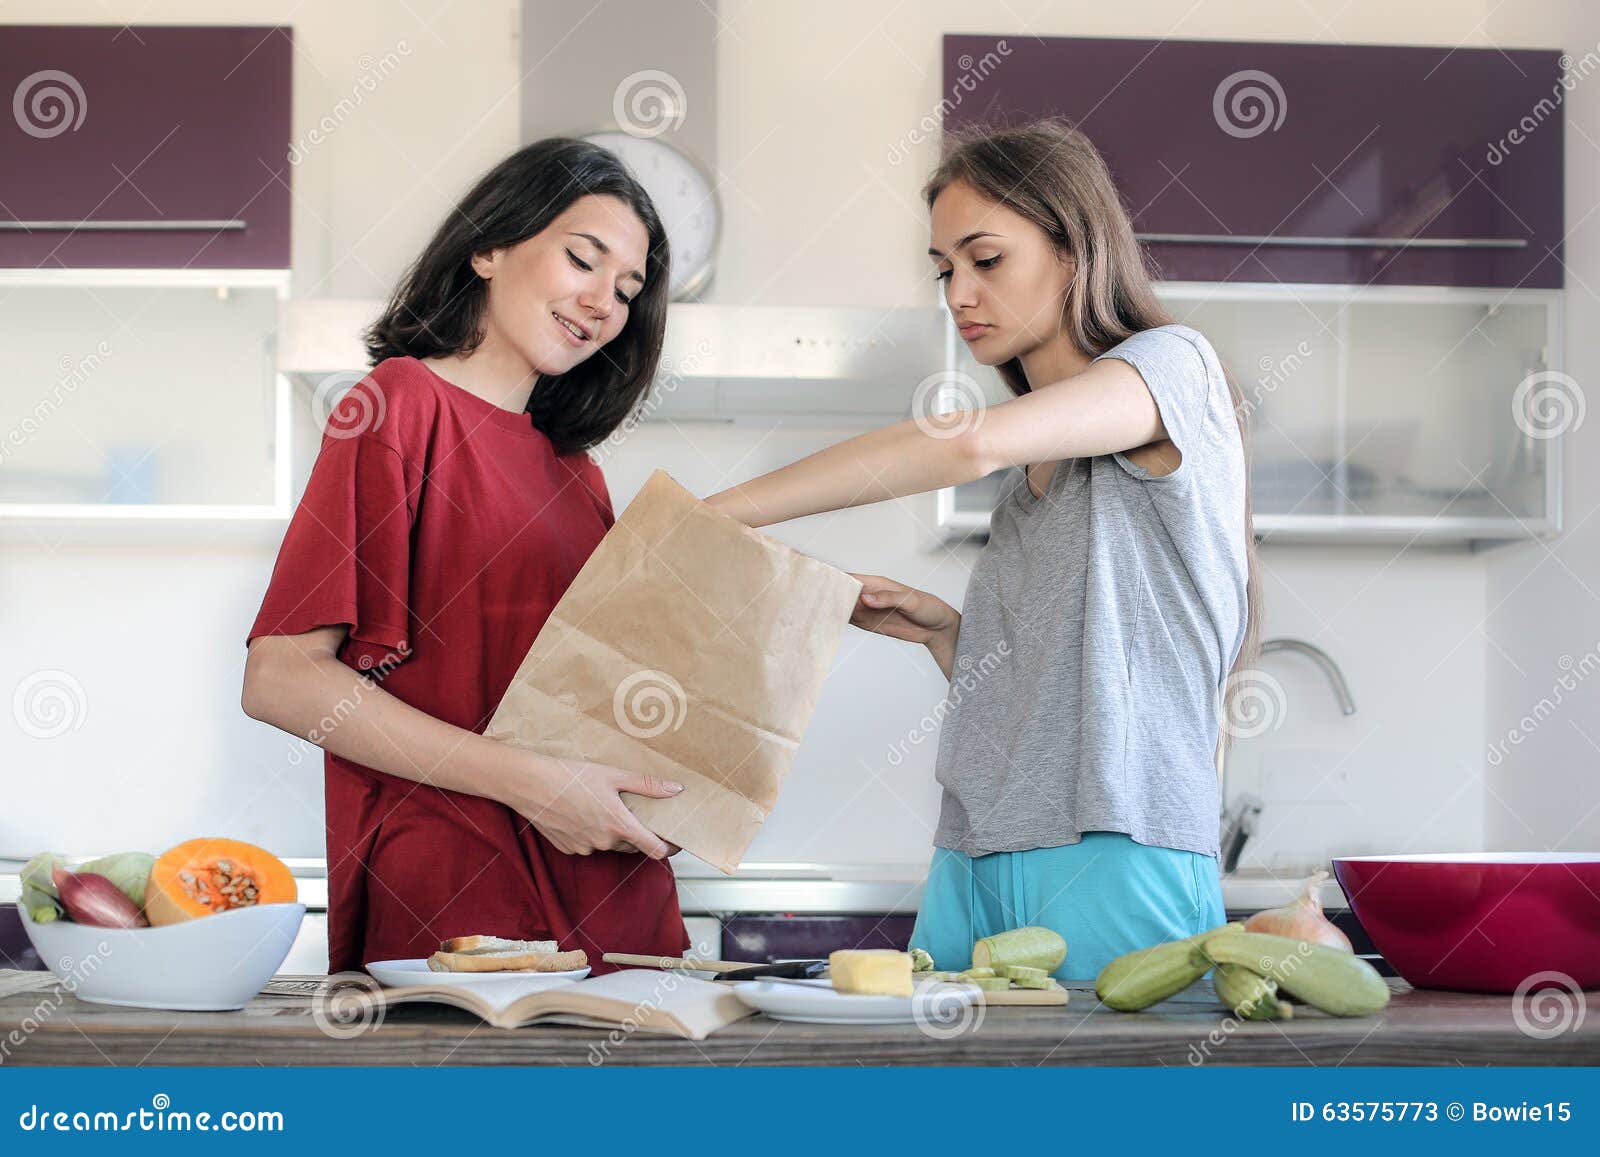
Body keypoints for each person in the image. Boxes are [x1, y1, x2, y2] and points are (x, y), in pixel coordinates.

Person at [704, 121, 1260, 981]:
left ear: (1074, 249)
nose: (959, 292)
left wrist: (711, 517)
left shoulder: (1172, 369)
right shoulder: (1026, 483)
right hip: (973, 849)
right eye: (943, 271)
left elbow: (964, 443)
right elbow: (1054, 690)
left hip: (1112, 845)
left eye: (986, 260)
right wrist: (945, 636)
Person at [242, 138, 690, 974]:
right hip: (458, 889)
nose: (602, 302)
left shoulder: (577, 474)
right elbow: (282, 676)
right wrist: (531, 783)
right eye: (583, 260)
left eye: (627, 291)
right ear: (489, 247)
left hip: (613, 891)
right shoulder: (397, 406)